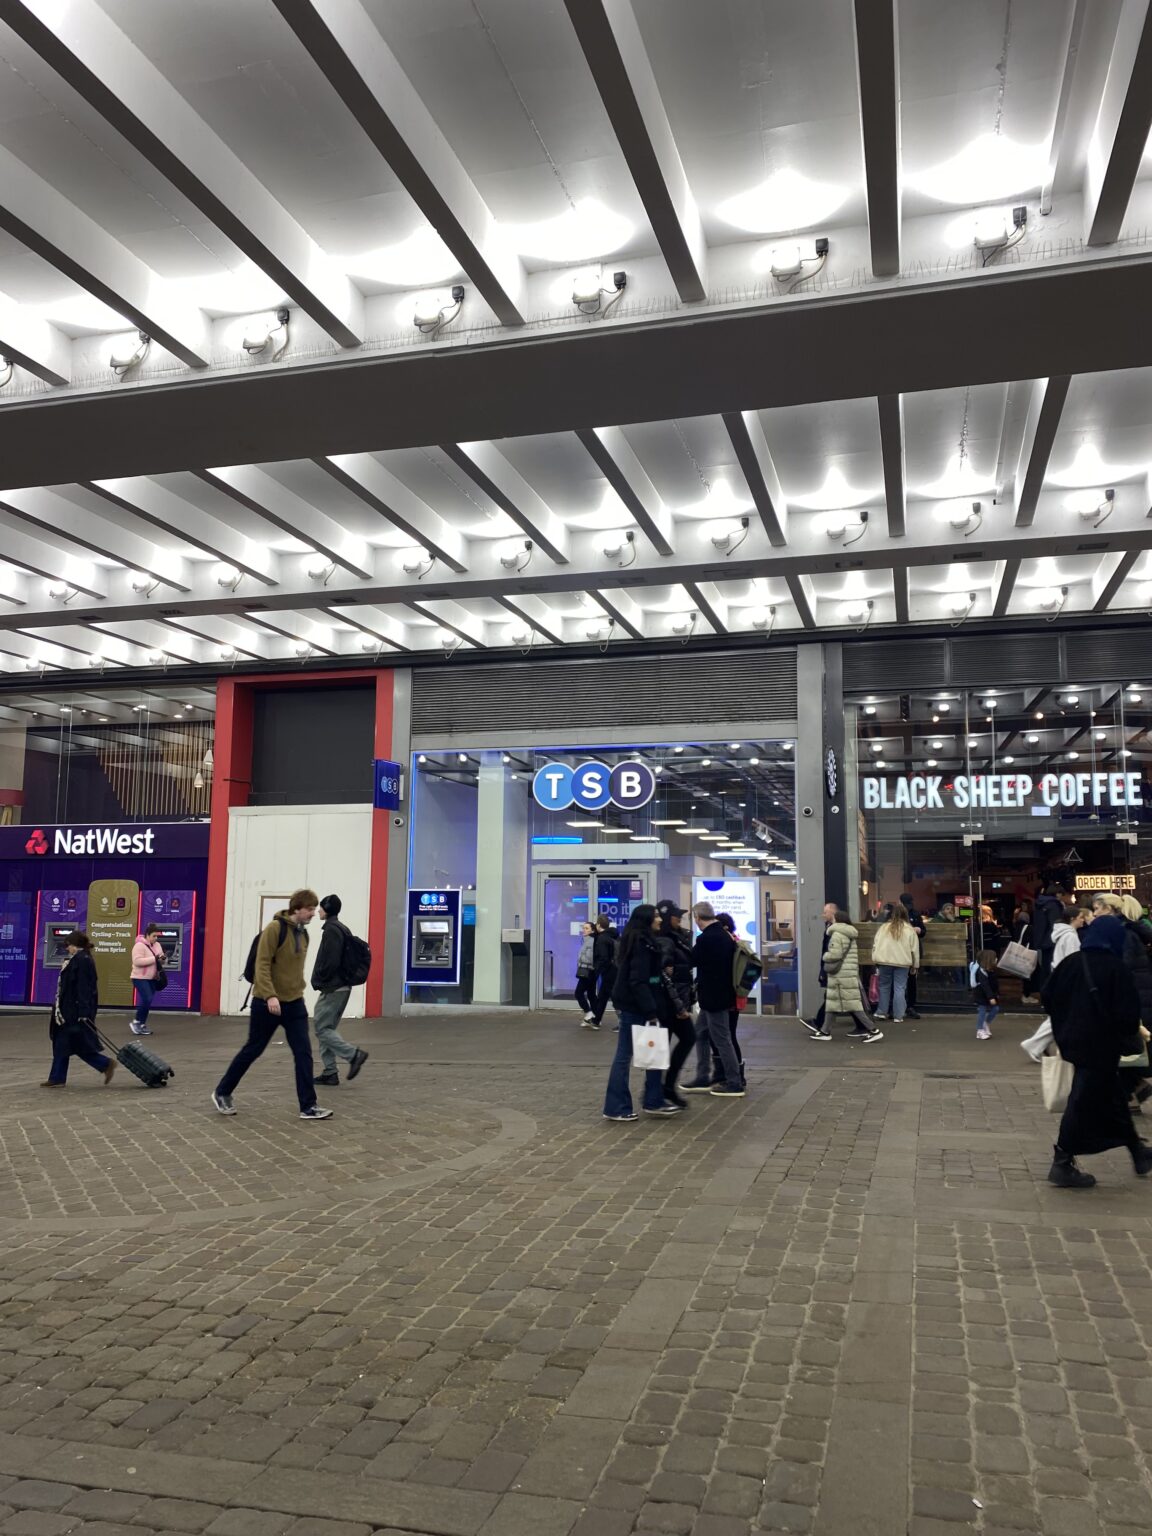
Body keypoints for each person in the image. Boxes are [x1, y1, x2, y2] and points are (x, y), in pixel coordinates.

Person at [1041, 915, 1152, 1188]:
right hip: (1102, 1047)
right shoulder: (1116, 968)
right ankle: (1062, 1162)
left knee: (1113, 1097)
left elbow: (1047, 997)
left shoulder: (1071, 963)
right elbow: (1127, 1016)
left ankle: (1138, 1151)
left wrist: (1068, 1020)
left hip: (1072, 1043)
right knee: (1082, 1100)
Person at [213, 889, 332, 1120]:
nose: (313, 914)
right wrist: (269, 996)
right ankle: (222, 1092)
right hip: (267, 1003)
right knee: (253, 1049)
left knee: (304, 1053)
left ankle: (308, 1106)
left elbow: (293, 970)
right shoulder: (274, 930)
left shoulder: (303, 934)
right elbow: (262, 965)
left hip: (294, 1004)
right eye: (309, 909)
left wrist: (298, 991)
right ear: (297, 908)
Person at [603, 905, 682, 1121]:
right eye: (656, 916)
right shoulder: (641, 943)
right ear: (646, 919)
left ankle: (654, 1100)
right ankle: (616, 1106)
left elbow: (648, 977)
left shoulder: (644, 941)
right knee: (624, 1055)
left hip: (642, 1005)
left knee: (654, 1052)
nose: (659, 919)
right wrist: (651, 1011)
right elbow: (638, 981)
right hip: (635, 1007)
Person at [682, 902, 745, 1096]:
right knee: (700, 1033)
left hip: (713, 998)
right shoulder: (725, 936)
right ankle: (702, 1077)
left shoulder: (706, 939)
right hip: (722, 995)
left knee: (722, 1039)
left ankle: (734, 1082)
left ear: (698, 918)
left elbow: (691, 961)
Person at [43, 931, 115, 1089]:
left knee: (73, 1044)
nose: (67, 949)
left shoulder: (82, 961)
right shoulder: (79, 959)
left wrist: (83, 1012)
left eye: (68, 946)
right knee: (64, 1043)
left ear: (74, 945)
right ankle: (57, 1077)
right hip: (67, 1010)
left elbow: (84, 988)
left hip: (73, 1011)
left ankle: (105, 1064)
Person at [310, 894, 369, 1087]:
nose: (318, 911)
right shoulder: (340, 928)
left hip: (334, 987)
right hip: (340, 986)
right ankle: (330, 1072)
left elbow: (331, 961)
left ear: (327, 909)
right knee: (327, 1028)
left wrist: (321, 977)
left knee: (321, 1028)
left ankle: (353, 1055)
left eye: (320, 908)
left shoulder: (332, 930)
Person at [1021, 906, 1092, 1061]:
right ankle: (1035, 1044)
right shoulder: (1071, 937)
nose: (1083, 919)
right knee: (1061, 1016)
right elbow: (1074, 961)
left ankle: (1036, 1044)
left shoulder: (1064, 935)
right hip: (1067, 981)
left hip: (1061, 979)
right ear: (1073, 919)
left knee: (1059, 1016)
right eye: (1081, 917)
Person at [809, 911, 881, 1042]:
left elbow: (835, 954)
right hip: (848, 973)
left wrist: (825, 956)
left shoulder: (837, 935)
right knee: (832, 1004)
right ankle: (825, 1031)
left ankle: (873, 1030)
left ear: (837, 920)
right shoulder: (850, 934)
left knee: (853, 1005)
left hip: (840, 975)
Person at [654, 900, 698, 1103]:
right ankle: (658, 1090)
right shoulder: (665, 940)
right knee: (666, 1044)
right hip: (670, 1002)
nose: (679, 919)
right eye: (676, 916)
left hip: (678, 998)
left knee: (685, 1039)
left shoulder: (677, 937)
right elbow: (663, 973)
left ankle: (665, 1087)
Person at [871, 902, 920, 1023]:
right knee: (900, 988)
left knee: (884, 987)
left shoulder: (883, 927)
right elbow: (914, 949)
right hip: (902, 963)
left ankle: (882, 1012)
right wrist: (915, 965)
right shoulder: (909, 929)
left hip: (884, 961)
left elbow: (875, 945)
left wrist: (875, 959)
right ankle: (898, 1015)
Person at [714, 912, 748, 1087]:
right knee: (727, 1035)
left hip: (730, 997)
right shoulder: (736, 941)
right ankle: (730, 1073)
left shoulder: (729, 944)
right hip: (736, 996)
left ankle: (735, 1075)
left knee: (727, 1036)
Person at [802, 901, 839, 1037]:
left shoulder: (834, 930)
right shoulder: (830, 927)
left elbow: (831, 951)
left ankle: (820, 1024)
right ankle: (821, 1025)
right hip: (833, 969)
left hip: (834, 969)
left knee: (834, 998)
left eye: (825, 912)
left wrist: (825, 967)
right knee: (837, 999)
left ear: (833, 912)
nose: (823, 915)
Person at [129, 922, 165, 1037]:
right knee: (147, 997)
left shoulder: (157, 945)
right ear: (147, 935)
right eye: (154, 936)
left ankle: (142, 1024)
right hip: (139, 977)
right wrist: (154, 959)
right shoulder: (139, 946)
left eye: (157, 936)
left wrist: (163, 959)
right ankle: (136, 1022)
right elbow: (137, 961)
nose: (156, 938)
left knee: (148, 1001)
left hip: (152, 978)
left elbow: (160, 959)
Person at [899, 894, 926, 1018]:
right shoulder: (897, 914)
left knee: (910, 981)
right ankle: (903, 1006)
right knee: (902, 982)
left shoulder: (915, 913)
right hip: (901, 951)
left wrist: (919, 930)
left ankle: (909, 1006)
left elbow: (923, 930)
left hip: (910, 951)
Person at [589, 914, 618, 1029]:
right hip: (614, 969)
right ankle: (596, 1020)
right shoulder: (613, 935)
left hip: (608, 972)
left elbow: (603, 958)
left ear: (599, 925)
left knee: (614, 997)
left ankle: (623, 1021)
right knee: (603, 996)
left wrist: (596, 972)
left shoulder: (602, 939)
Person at [969, 948, 999, 1040]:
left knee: (996, 1008)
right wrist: (991, 997)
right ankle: (980, 1030)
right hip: (981, 995)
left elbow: (994, 984)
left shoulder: (991, 970)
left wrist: (995, 994)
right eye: (995, 958)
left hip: (990, 995)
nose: (996, 959)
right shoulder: (981, 972)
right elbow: (985, 986)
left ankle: (986, 1023)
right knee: (982, 1011)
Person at [574, 921, 597, 1024]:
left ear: (592, 930)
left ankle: (589, 1013)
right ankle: (596, 1018)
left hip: (588, 970)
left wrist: (580, 957)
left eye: (587, 928)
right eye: (583, 928)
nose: (584, 930)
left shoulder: (591, 941)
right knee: (591, 994)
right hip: (589, 970)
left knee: (578, 993)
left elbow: (590, 958)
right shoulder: (586, 940)